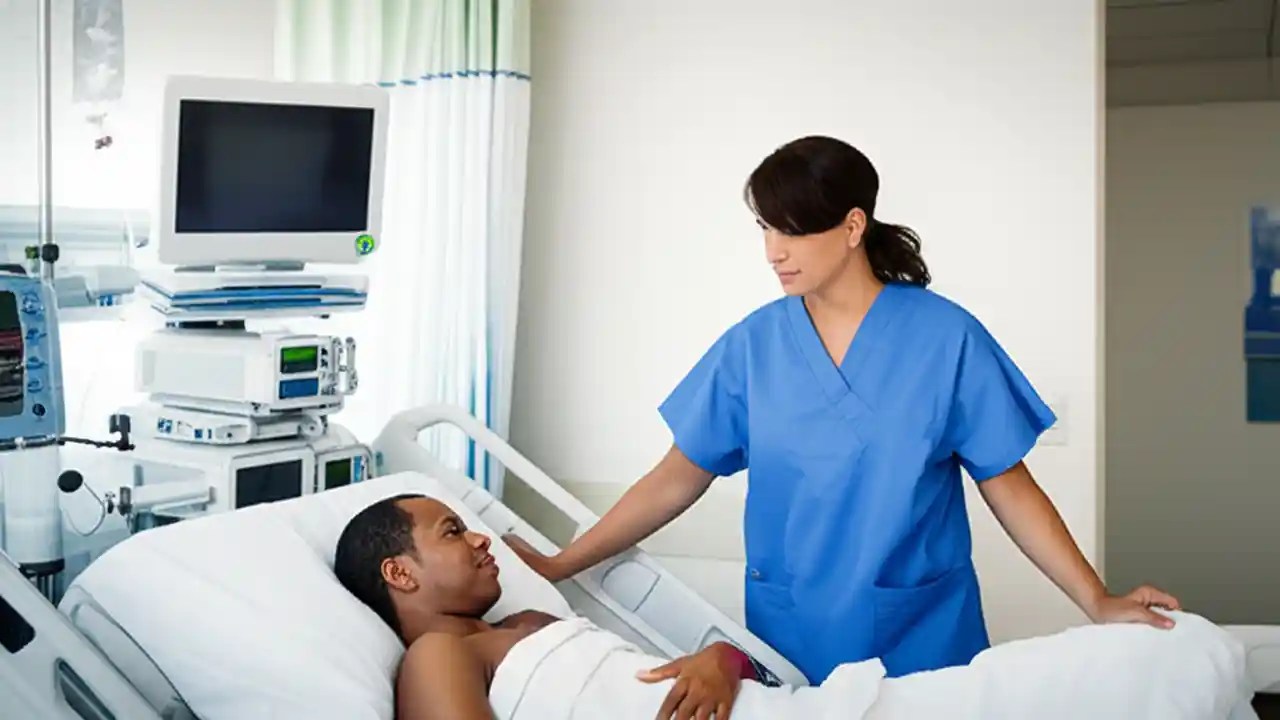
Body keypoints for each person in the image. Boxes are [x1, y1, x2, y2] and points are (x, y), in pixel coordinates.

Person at [503, 136, 1182, 711]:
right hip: (791, 634)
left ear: (853, 227)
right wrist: (564, 561)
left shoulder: (946, 339)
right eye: (765, 229)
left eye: (792, 229)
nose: (774, 250)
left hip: (923, 638)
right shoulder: (754, 346)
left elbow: (1009, 485)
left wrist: (1095, 598)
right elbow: (675, 478)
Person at [331, 494, 1248, 720]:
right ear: (400, 577)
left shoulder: (521, 629)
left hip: (787, 705)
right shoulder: (439, 661)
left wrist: (714, 661)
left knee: (1057, 679)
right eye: (454, 531)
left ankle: (1198, 655)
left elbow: (729, 672)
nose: (482, 538)